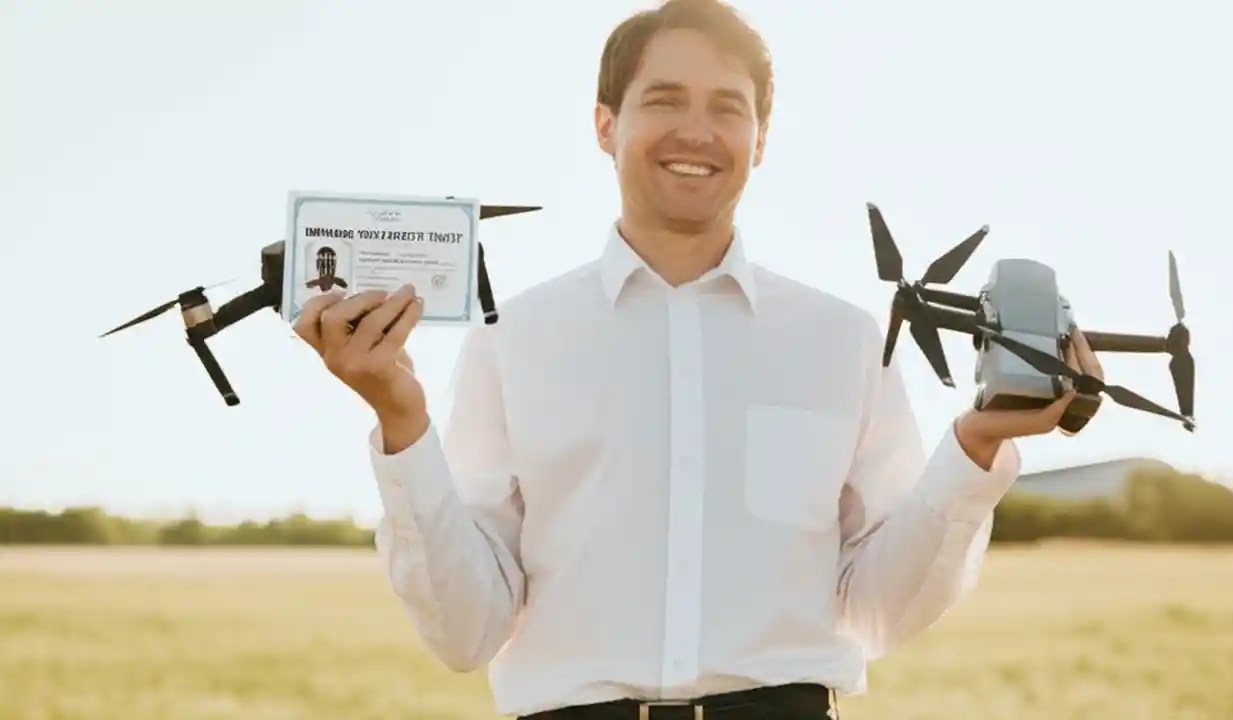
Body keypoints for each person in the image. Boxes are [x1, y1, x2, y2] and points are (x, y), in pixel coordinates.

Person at [292, 1, 1106, 718]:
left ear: (761, 138)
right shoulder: (514, 338)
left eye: (728, 107)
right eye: (664, 99)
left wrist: (973, 447)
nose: (698, 131)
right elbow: (467, 631)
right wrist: (400, 420)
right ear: (605, 124)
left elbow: (881, 610)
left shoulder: (844, 341)